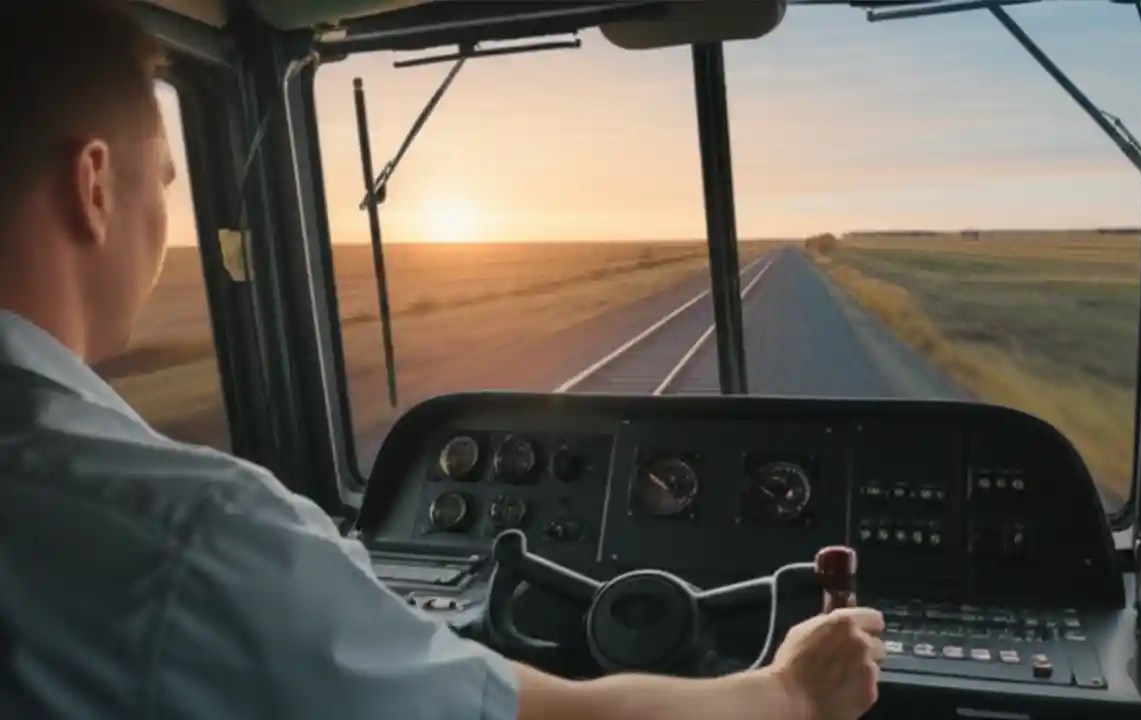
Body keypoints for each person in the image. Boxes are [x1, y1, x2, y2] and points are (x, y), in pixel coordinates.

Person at [0, 2, 885, 719]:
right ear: (93, 186)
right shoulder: (192, 536)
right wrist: (791, 694)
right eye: (166, 182)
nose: (167, 225)